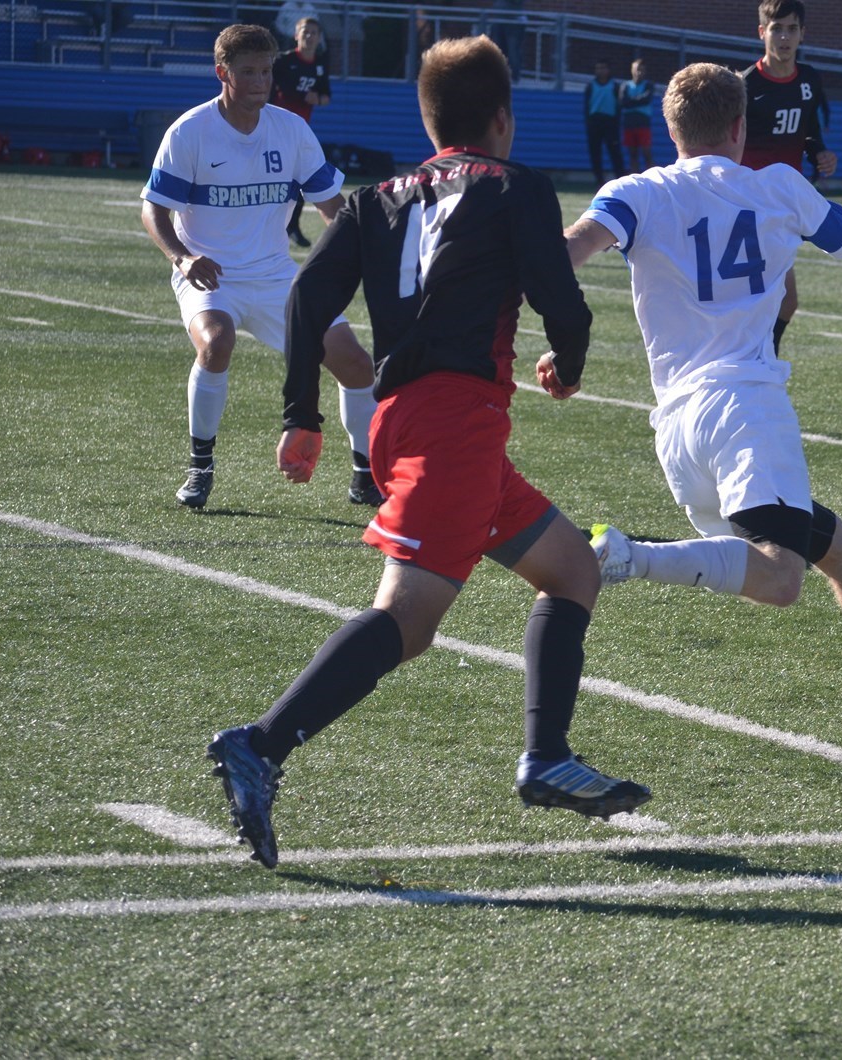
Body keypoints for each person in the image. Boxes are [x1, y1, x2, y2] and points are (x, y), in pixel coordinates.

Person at [206, 33, 649, 870]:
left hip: (408, 415)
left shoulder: (379, 198)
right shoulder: (514, 186)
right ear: (503, 119)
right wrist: (570, 360)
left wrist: (303, 413)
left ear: (428, 116)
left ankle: (545, 755)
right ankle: (260, 746)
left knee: (572, 570)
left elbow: (307, 297)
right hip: (456, 426)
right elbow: (563, 298)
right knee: (407, 622)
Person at [562, 63, 842, 729]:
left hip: (677, 430)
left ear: (670, 127)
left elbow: (569, 249)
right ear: (741, 127)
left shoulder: (637, 191)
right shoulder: (779, 187)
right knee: (780, 578)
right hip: (745, 408)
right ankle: (628, 556)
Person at [140, 23, 380, 511]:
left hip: (275, 276)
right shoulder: (190, 131)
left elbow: (331, 206)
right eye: (247, 71)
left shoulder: (291, 129)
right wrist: (183, 258)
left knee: (356, 364)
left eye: (266, 70)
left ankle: (364, 475)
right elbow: (154, 209)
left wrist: (358, 253)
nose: (259, 81)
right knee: (216, 342)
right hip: (210, 275)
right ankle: (200, 466)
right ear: (222, 73)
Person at [740, 0, 835, 357]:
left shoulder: (809, 79)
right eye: (776, 28)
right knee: (773, 298)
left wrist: (820, 154)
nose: (784, 37)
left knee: (786, 302)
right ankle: (760, 359)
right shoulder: (746, 85)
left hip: (785, 203)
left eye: (791, 29)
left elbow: (809, 132)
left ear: (802, 34)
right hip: (748, 204)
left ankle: (763, 356)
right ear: (762, 32)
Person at [272, 16, 331, 248]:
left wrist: (319, 98)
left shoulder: (320, 64)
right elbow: (271, 88)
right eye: (305, 32)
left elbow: (327, 95)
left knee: (296, 177)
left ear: (319, 38)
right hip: (274, 126)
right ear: (296, 35)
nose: (309, 36)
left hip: (299, 130)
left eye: (314, 32)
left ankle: (292, 225)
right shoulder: (284, 61)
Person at [583, 59, 625, 184]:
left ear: (608, 70)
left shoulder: (615, 86)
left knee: (615, 153)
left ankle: (620, 180)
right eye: (598, 68)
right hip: (595, 122)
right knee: (595, 154)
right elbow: (587, 106)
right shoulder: (590, 86)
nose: (600, 71)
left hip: (610, 122)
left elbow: (619, 107)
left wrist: (616, 123)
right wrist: (588, 122)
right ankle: (599, 181)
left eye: (603, 68)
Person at [620, 57, 656, 172]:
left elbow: (646, 99)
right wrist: (637, 101)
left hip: (643, 122)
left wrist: (631, 101)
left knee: (647, 153)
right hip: (629, 123)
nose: (639, 72)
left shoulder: (648, 85)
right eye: (637, 69)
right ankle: (635, 179)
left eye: (642, 70)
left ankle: (652, 179)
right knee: (633, 154)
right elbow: (622, 102)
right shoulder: (625, 85)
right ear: (632, 70)